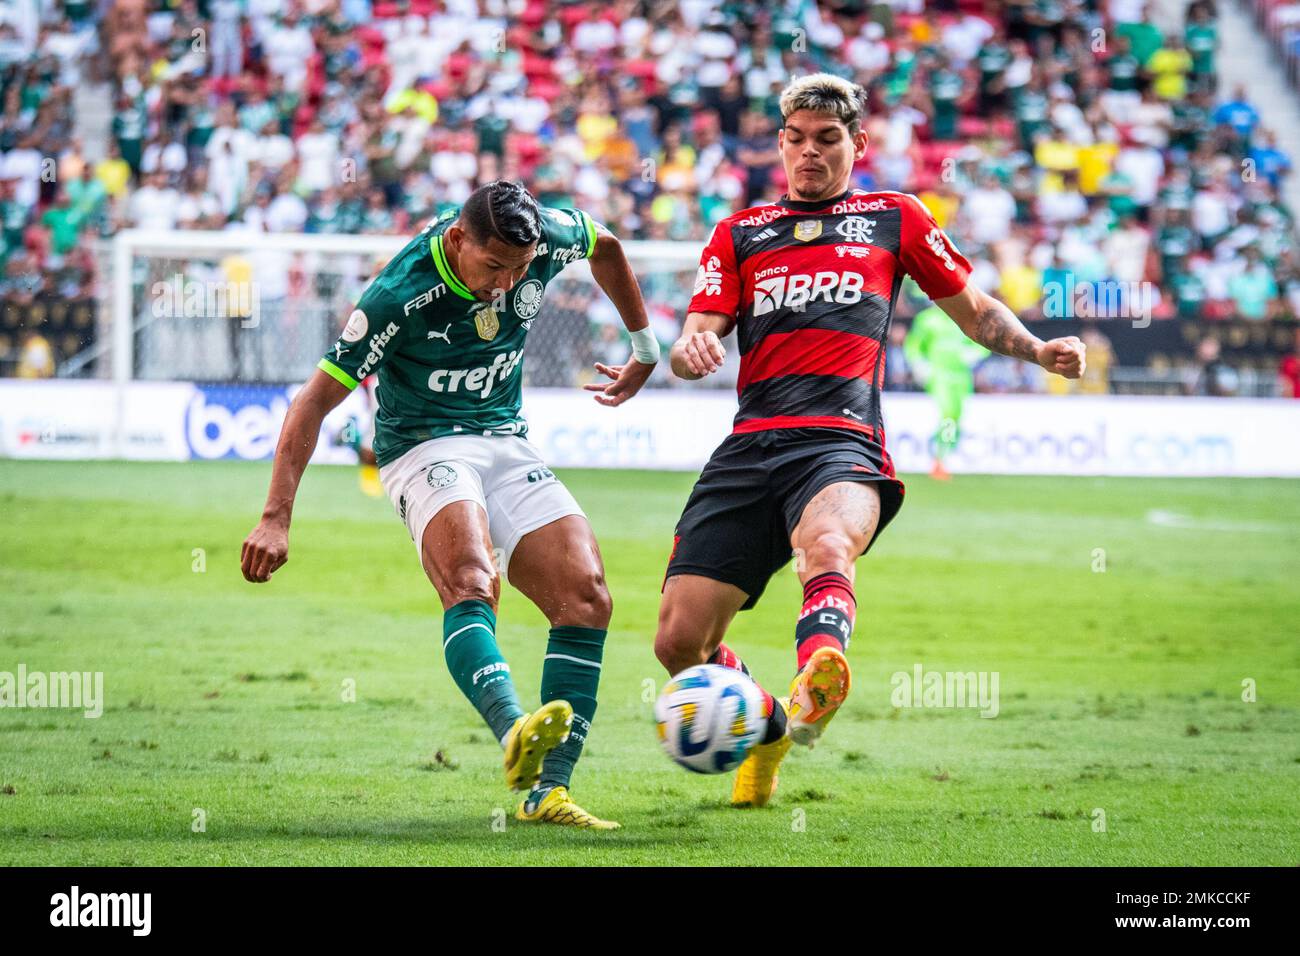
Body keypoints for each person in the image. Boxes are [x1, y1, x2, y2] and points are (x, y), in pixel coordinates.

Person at [655, 74, 1086, 808]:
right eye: (796, 140)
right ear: (780, 144)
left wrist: (1037, 350)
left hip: (840, 440)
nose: (809, 154)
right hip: (750, 443)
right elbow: (698, 332)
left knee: (826, 547)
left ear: (858, 143)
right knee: (677, 644)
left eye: (827, 140)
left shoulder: (895, 218)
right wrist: (689, 350)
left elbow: (975, 312)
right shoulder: (740, 233)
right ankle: (767, 728)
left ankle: (819, 667)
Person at [241, 181, 658, 829]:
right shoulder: (397, 294)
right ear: (459, 240)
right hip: (420, 445)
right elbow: (313, 402)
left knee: (588, 595)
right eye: (494, 267)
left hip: (504, 435)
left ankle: (546, 792)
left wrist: (644, 347)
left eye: (519, 271)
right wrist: (275, 516)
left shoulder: (545, 233)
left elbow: (606, 245)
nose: (505, 284)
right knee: (472, 578)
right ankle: (513, 727)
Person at [904, 301, 989, 480]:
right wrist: (919, 365)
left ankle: (944, 456)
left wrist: (974, 354)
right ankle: (939, 460)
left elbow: (983, 343)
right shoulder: (926, 319)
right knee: (948, 415)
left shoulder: (964, 319)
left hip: (961, 377)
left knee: (956, 418)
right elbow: (913, 347)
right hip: (938, 375)